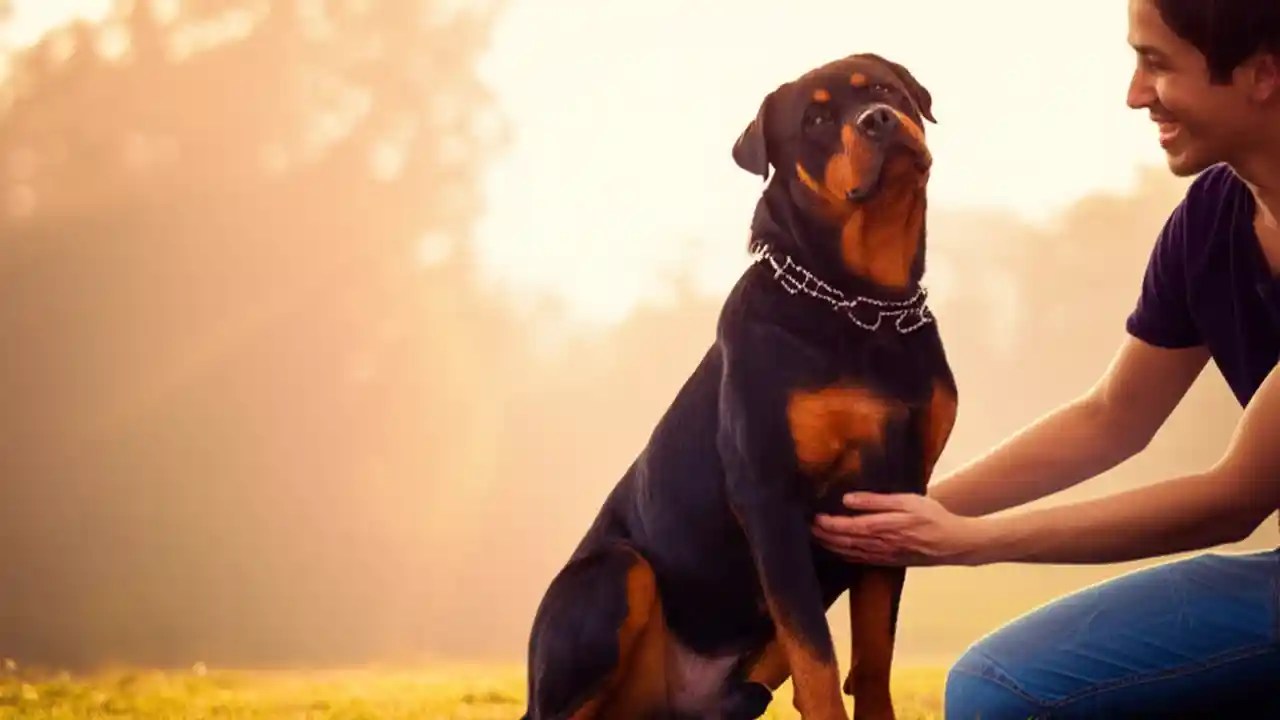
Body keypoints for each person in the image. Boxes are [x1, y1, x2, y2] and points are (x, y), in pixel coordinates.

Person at [810, 0, 1280, 717]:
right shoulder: (1212, 220)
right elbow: (1112, 417)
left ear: (1262, 73)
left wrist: (968, 543)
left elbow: (1236, 497)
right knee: (995, 683)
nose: (1134, 94)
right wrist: (901, 520)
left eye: (1156, 64)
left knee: (1004, 692)